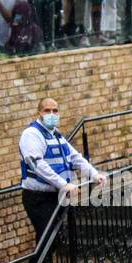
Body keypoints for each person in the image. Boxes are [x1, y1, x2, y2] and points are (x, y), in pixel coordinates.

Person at [19, 98, 103, 244]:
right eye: (47, 110)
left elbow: (75, 157)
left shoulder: (56, 134)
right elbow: (38, 165)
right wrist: (64, 184)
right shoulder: (31, 134)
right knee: (49, 240)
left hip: (55, 195)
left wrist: (94, 174)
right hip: (38, 197)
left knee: (52, 240)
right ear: (39, 113)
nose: (51, 114)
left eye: (55, 110)